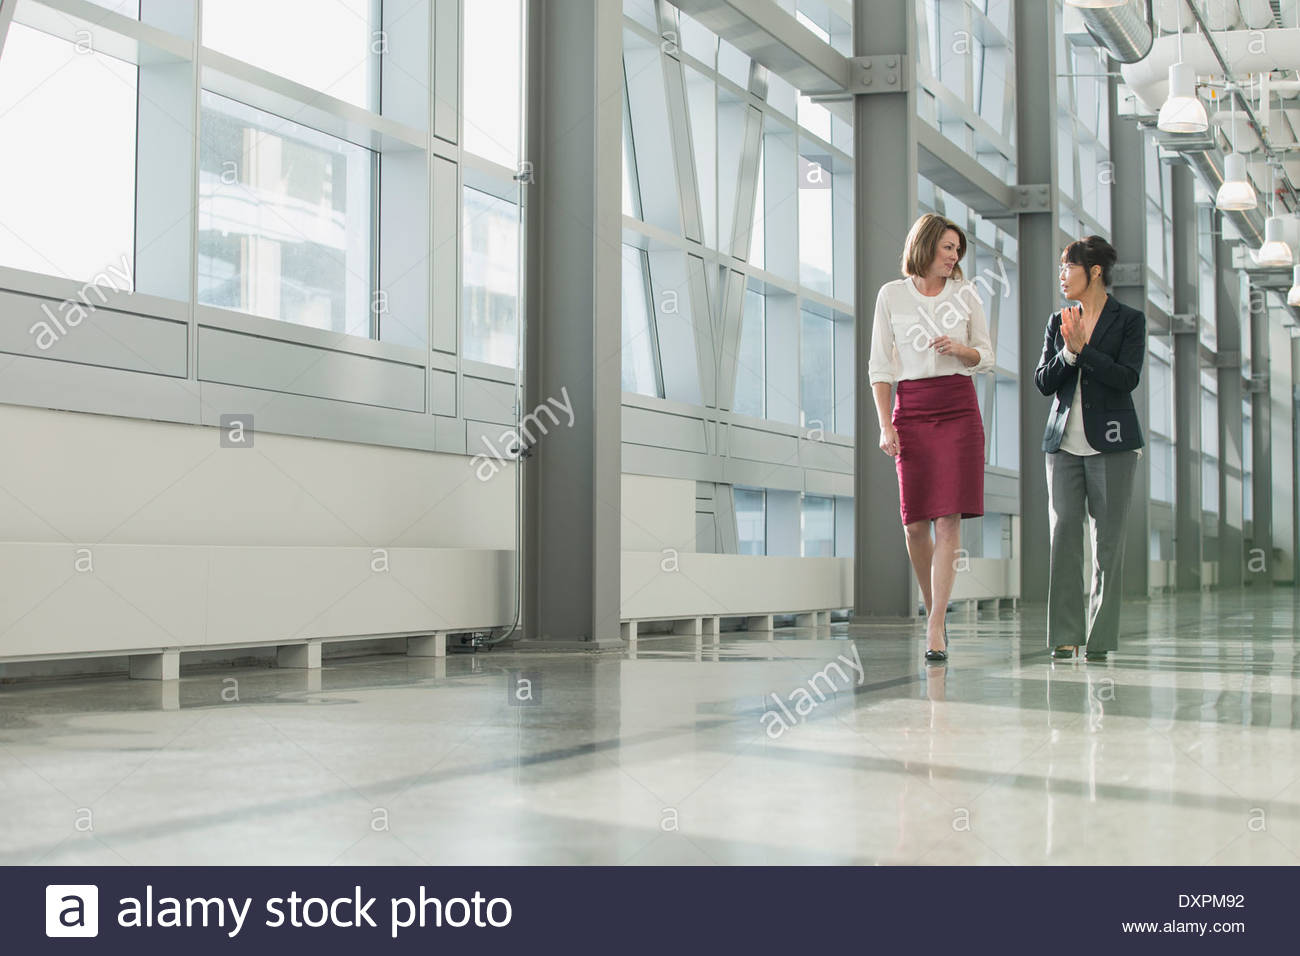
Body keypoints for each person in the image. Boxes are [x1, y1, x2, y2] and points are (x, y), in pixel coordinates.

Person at [869, 214, 994, 663]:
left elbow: (986, 354)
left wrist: (961, 350)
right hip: (912, 409)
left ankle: (937, 623)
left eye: (957, 250)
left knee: (948, 520)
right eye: (947, 248)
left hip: (958, 406)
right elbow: (880, 368)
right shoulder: (891, 295)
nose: (954, 257)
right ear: (924, 247)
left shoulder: (966, 294)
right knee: (914, 523)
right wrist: (886, 425)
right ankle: (932, 603)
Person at [1034, 236, 1145, 663]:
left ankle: (1099, 640)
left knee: (1108, 544)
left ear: (1094, 271)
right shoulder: (1058, 320)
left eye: (1068, 266)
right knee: (1063, 535)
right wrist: (1068, 351)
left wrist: (1086, 352)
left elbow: (1127, 378)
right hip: (1062, 445)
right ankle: (1065, 636)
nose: (1062, 275)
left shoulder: (1129, 320)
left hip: (1114, 445)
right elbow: (1044, 381)